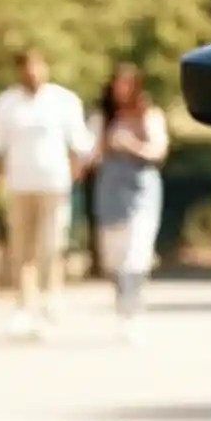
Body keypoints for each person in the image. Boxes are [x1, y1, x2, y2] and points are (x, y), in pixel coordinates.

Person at [0, 48, 93, 339]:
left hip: (54, 184)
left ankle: (49, 302)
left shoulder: (64, 101)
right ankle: (23, 307)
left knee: (50, 245)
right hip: (19, 184)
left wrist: (76, 173)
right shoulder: (7, 103)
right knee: (21, 249)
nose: (32, 73)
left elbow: (81, 144)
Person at [89, 63, 168, 342]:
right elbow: (92, 155)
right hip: (110, 190)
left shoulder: (150, 115)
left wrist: (130, 144)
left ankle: (133, 308)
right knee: (114, 255)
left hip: (141, 189)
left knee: (136, 252)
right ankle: (122, 304)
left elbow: (158, 151)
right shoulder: (103, 117)